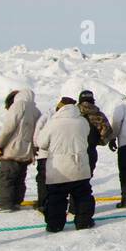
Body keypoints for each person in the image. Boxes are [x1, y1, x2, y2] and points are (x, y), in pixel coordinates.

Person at [38, 95, 95, 232]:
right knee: (83, 196)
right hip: (79, 165)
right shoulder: (82, 122)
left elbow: (41, 143)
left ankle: (55, 225)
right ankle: (84, 222)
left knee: (56, 198)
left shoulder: (53, 122)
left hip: (59, 167)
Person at [0, 89, 40, 212]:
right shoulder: (36, 111)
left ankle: (4, 204)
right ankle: (16, 202)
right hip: (27, 151)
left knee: (6, 177)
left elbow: (8, 128)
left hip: (12, 149)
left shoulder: (18, 105)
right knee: (19, 177)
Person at [33, 97, 72, 213]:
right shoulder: (63, 117)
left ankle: (44, 203)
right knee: (51, 179)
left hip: (46, 153)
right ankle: (47, 203)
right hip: (55, 154)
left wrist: (37, 146)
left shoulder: (49, 115)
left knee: (45, 179)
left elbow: (38, 131)